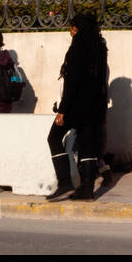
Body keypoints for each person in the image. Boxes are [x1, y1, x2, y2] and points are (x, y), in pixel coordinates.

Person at [46, 11, 108, 202]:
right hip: (95, 106)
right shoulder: (100, 47)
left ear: (77, 28)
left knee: (54, 137)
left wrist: (62, 110)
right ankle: (87, 190)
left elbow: (72, 83)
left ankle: (64, 181)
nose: (70, 33)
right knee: (88, 145)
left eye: (71, 29)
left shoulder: (76, 48)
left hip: (77, 106)